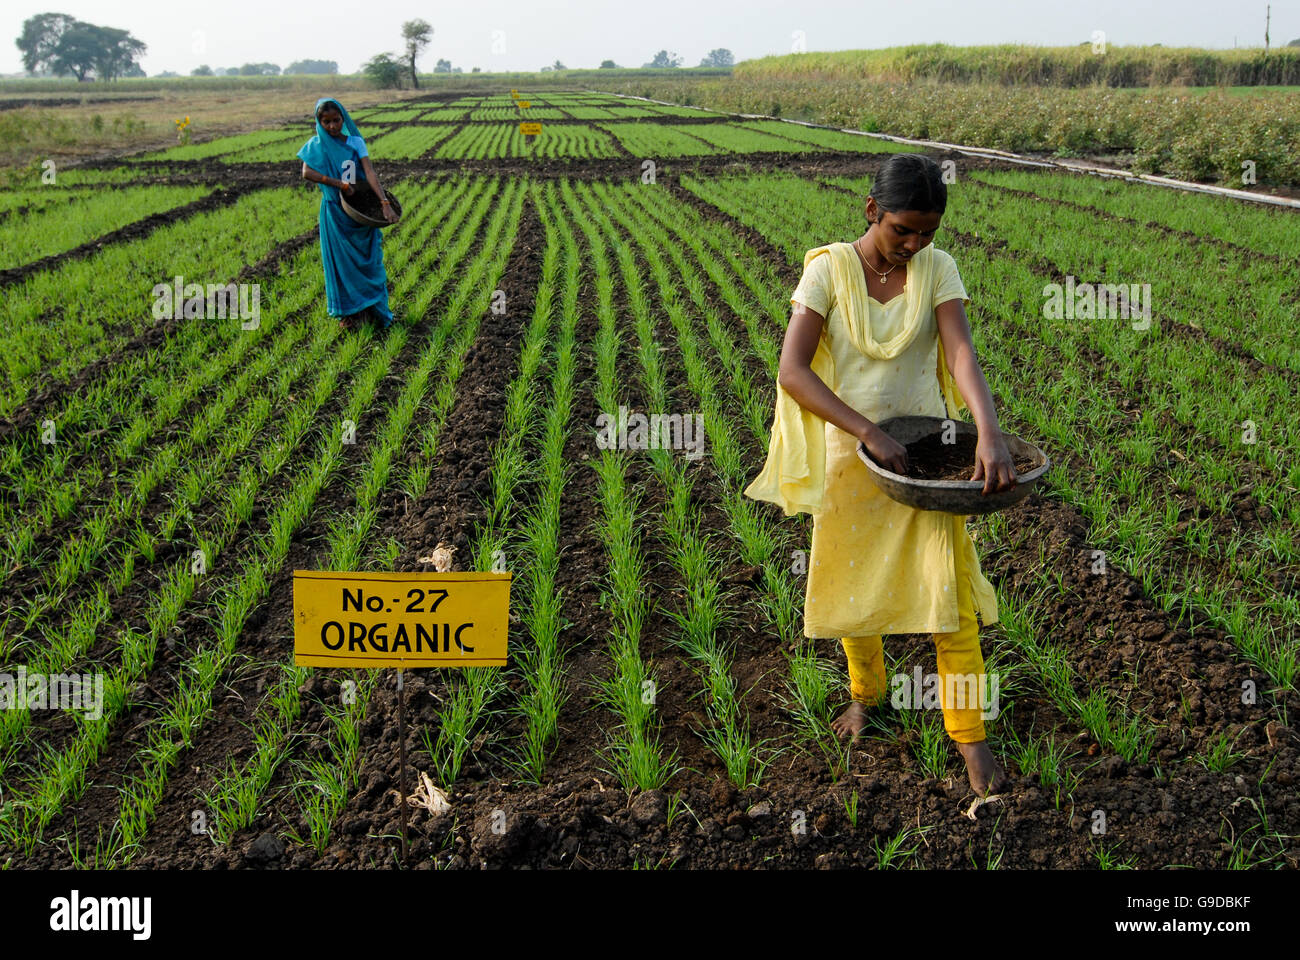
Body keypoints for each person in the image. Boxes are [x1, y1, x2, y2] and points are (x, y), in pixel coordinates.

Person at [744, 153, 1017, 797]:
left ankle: (970, 737)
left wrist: (989, 429)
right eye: (903, 231)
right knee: (857, 594)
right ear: (872, 212)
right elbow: (793, 370)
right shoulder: (828, 273)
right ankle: (867, 694)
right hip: (856, 461)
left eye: (928, 232)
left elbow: (959, 351)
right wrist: (867, 430)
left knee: (948, 599)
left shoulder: (937, 269)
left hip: (928, 458)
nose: (915, 244)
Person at [298, 98, 397, 330]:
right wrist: (339, 184)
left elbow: (369, 172)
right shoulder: (317, 146)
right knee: (342, 266)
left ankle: (373, 311)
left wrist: (384, 202)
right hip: (335, 212)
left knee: (370, 262)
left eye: (336, 120)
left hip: (360, 212)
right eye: (326, 122)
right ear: (319, 122)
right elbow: (307, 172)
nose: (332, 126)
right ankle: (350, 315)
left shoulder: (355, 142)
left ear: (343, 119)